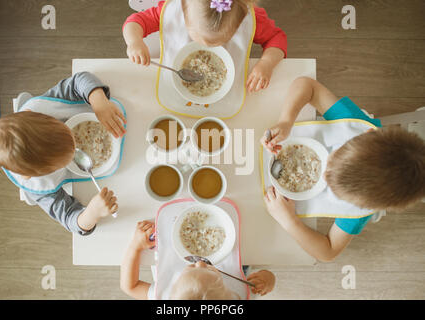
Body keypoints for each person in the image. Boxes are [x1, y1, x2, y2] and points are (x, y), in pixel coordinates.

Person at [261, 77, 425, 262]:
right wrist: (286, 121)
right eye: (333, 160)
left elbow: (328, 252)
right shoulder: (355, 124)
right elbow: (307, 86)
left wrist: (289, 221)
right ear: (366, 134)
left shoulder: (359, 210)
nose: (323, 174)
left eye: (334, 186)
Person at [0, 72, 126, 235]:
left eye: (67, 131)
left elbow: (79, 81)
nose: (76, 146)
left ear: (35, 113)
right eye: (65, 158)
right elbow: (69, 218)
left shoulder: (42, 109)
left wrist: (98, 100)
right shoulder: (37, 185)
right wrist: (92, 213)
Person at [123, 0, 287, 93]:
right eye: (198, 37)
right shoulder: (173, 9)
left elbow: (276, 38)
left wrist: (266, 63)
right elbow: (136, 22)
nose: (207, 46)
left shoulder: (251, 19)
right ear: (184, 9)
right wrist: (134, 42)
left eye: (221, 40)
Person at [120, 220, 276, 299]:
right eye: (208, 269)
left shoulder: (165, 296)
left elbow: (130, 287)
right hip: (231, 269)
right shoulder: (239, 294)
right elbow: (268, 279)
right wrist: (267, 280)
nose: (200, 262)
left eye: (191, 268)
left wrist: (136, 247)